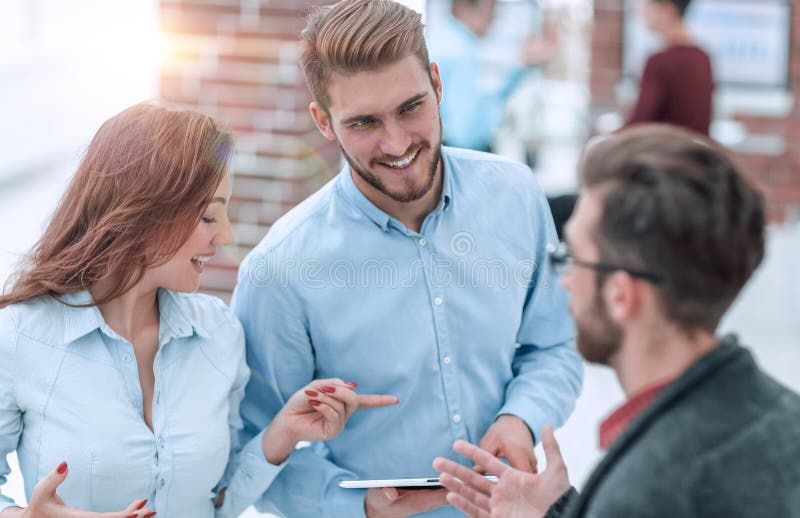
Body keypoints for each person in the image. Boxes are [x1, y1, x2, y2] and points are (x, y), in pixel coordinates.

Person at [231, 1, 583, 516]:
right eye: (364, 122)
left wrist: (521, 419)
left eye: (411, 107)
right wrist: (353, 506)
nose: (396, 143)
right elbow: (253, 445)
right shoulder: (280, 270)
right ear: (323, 122)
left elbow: (556, 343)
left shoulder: (516, 195)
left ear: (438, 84)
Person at [0, 102, 398, 518]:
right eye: (209, 216)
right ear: (144, 210)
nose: (224, 235)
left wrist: (284, 432)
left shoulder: (218, 333)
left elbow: (218, 501)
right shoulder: (21, 336)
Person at [433, 125, 800, 517]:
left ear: (621, 296)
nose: (567, 281)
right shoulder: (782, 418)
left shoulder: (645, 489)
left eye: (573, 257)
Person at [427, 0, 555, 152]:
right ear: (464, 7)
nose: (492, 20)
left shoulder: (439, 37)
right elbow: (464, 136)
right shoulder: (460, 50)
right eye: (489, 11)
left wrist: (522, 64)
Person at [626, 0, 713, 135]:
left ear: (667, 10)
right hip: (697, 153)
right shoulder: (703, 58)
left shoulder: (659, 62)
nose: (642, 13)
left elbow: (640, 120)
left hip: (664, 152)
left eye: (648, 6)